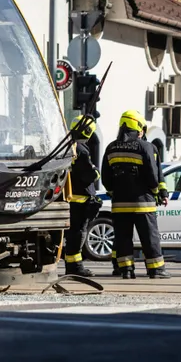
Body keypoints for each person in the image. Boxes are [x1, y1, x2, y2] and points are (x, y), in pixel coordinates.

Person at [101, 109, 170, 280]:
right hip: (143, 203)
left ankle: (126, 270)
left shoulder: (111, 148)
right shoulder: (145, 147)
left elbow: (105, 178)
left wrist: (114, 192)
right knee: (149, 237)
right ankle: (156, 270)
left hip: (119, 204)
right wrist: (156, 192)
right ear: (139, 127)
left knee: (123, 239)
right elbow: (153, 176)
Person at [64, 115, 102, 277]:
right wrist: (96, 172)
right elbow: (90, 175)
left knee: (74, 233)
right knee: (78, 233)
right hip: (80, 200)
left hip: (70, 199)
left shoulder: (67, 146)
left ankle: (73, 265)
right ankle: (75, 267)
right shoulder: (80, 150)